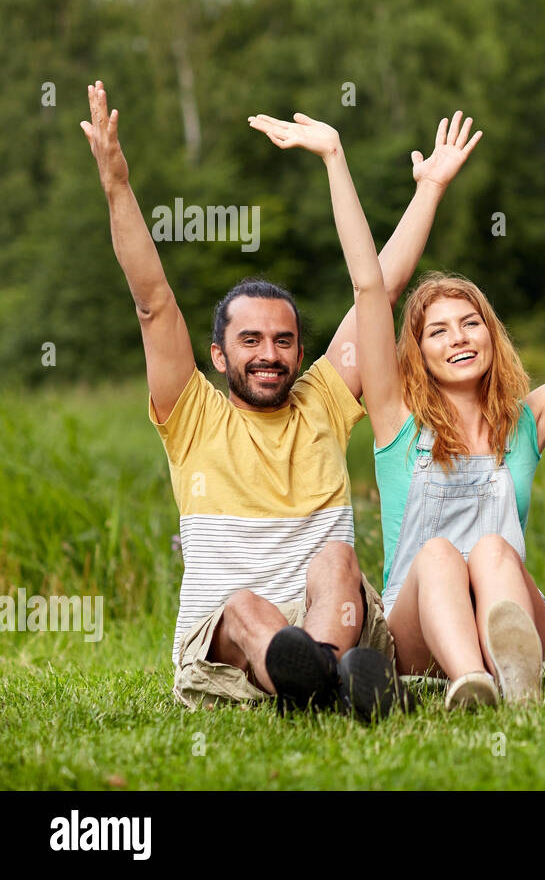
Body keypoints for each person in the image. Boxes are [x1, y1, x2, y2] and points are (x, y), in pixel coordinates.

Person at [81, 81, 435, 718]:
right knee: (245, 605)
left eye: (282, 340)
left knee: (336, 557)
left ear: (300, 353)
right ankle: (331, 685)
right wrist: (116, 185)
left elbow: (380, 291)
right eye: (250, 340)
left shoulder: (323, 399)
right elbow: (152, 300)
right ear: (219, 356)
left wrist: (428, 188)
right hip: (227, 646)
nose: (268, 353)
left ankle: (317, 677)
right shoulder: (192, 414)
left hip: (332, 620)